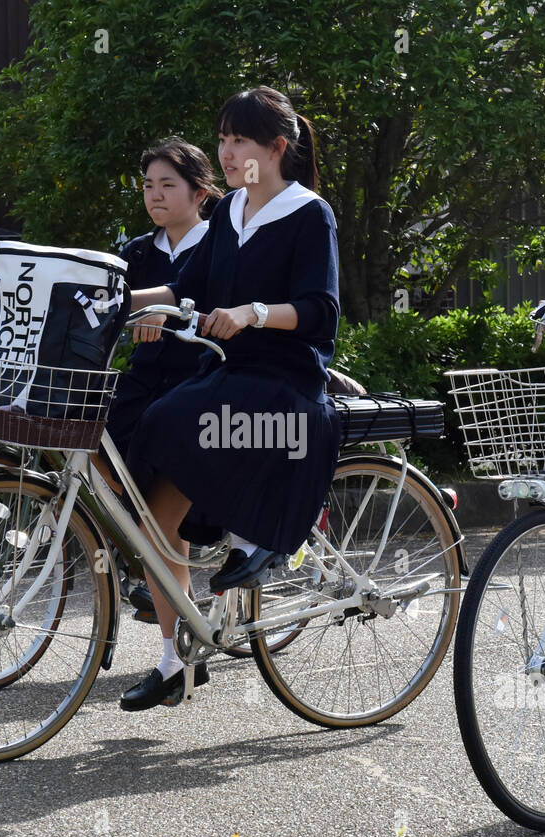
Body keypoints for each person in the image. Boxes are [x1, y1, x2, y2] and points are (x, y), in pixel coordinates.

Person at [117, 85, 343, 711]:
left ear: (276, 147)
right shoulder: (227, 213)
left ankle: (258, 534)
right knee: (154, 512)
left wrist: (253, 312)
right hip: (226, 371)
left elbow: (321, 311)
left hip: (286, 378)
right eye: (220, 137)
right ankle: (174, 661)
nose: (225, 149)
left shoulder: (308, 213)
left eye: (238, 138)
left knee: (178, 419)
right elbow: (182, 289)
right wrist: (119, 305)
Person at [100, 138, 224, 624]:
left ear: (200, 192)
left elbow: (208, 303)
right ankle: (152, 559)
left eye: (168, 185)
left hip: (195, 379)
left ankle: (174, 591)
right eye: (148, 185)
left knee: (165, 503)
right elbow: (110, 304)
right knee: (91, 439)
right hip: (144, 380)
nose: (154, 195)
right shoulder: (135, 251)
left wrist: (163, 312)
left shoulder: (219, 244)